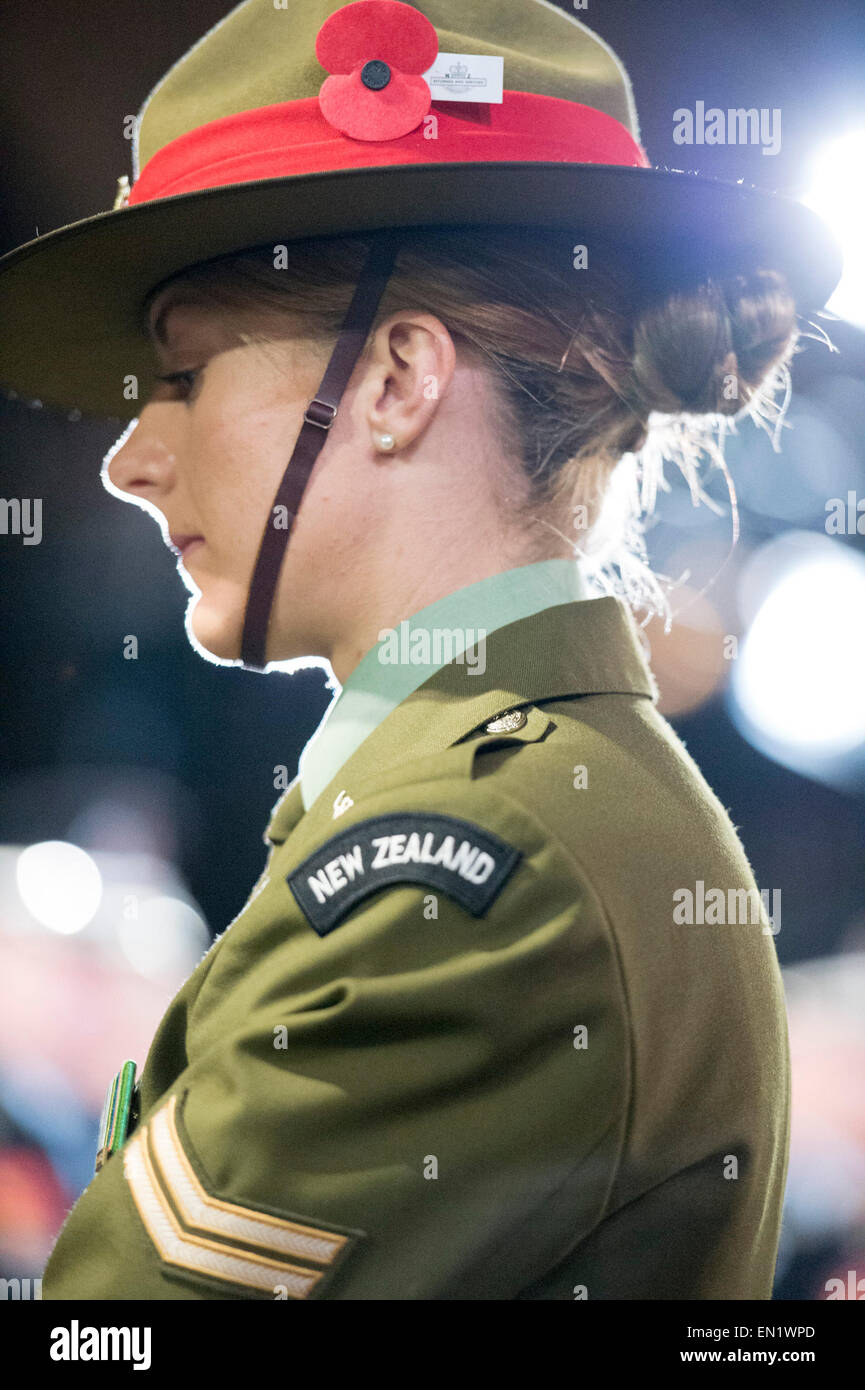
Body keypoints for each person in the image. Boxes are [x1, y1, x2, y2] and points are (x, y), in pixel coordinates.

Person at [0, 0, 841, 1299]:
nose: (129, 459)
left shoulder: (479, 873)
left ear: (394, 380)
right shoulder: (502, 807)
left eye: (183, 377)